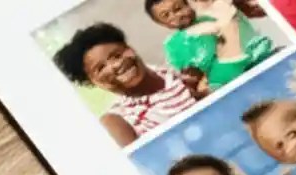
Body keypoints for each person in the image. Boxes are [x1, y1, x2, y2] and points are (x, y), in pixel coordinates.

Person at [53, 23, 207, 147]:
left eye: (117, 55)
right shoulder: (118, 120)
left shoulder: (179, 73)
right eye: (100, 68)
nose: (115, 65)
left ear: (130, 48)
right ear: (91, 82)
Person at [146, 0, 276, 89]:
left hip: (256, 61)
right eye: (166, 15)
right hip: (225, 82)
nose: (176, 15)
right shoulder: (174, 45)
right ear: (161, 23)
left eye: (178, 8)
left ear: (188, 4)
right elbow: (189, 74)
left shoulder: (211, 16)